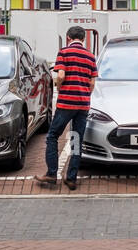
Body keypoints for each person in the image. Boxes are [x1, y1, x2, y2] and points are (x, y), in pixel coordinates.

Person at [40, 26, 97, 190]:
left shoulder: (64, 52)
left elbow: (61, 75)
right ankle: (71, 178)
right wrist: (85, 94)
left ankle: (51, 174)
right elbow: (92, 83)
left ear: (68, 38)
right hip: (83, 104)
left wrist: (59, 87)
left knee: (52, 136)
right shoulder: (91, 56)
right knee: (77, 140)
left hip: (66, 103)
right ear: (83, 39)